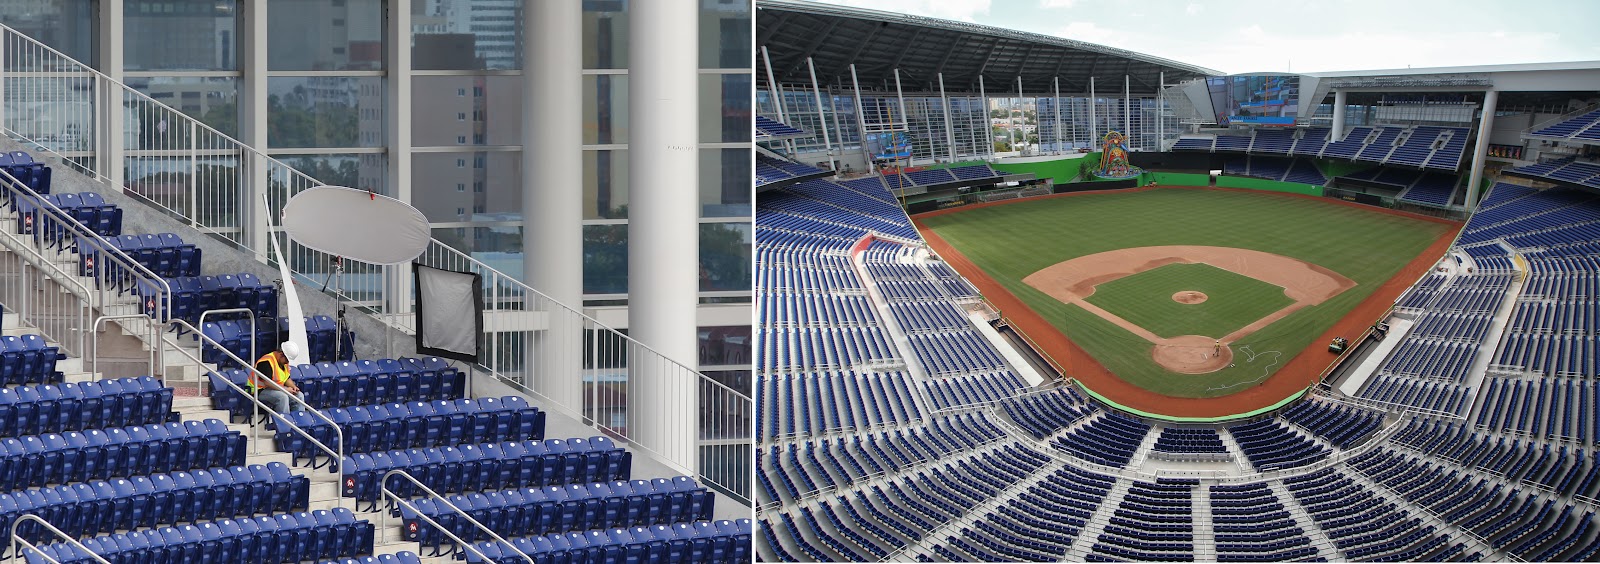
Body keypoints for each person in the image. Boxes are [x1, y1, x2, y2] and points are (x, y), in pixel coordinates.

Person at [252, 340, 305, 418]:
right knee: (282, 397)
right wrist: (286, 389)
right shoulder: (266, 361)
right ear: (281, 354)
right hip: (258, 390)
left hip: (276, 389)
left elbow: (287, 378)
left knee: (299, 396)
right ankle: (285, 424)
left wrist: (293, 387)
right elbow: (267, 382)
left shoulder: (283, 363)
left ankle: (299, 422)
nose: (287, 362)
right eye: (286, 359)